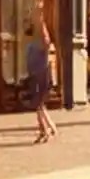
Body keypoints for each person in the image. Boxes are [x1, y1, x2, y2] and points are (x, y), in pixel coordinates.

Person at [26, 12, 58, 144]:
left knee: (38, 104)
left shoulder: (42, 41)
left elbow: (47, 41)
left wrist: (41, 24)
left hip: (41, 74)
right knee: (39, 105)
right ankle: (49, 128)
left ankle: (45, 130)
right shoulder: (32, 41)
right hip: (34, 75)